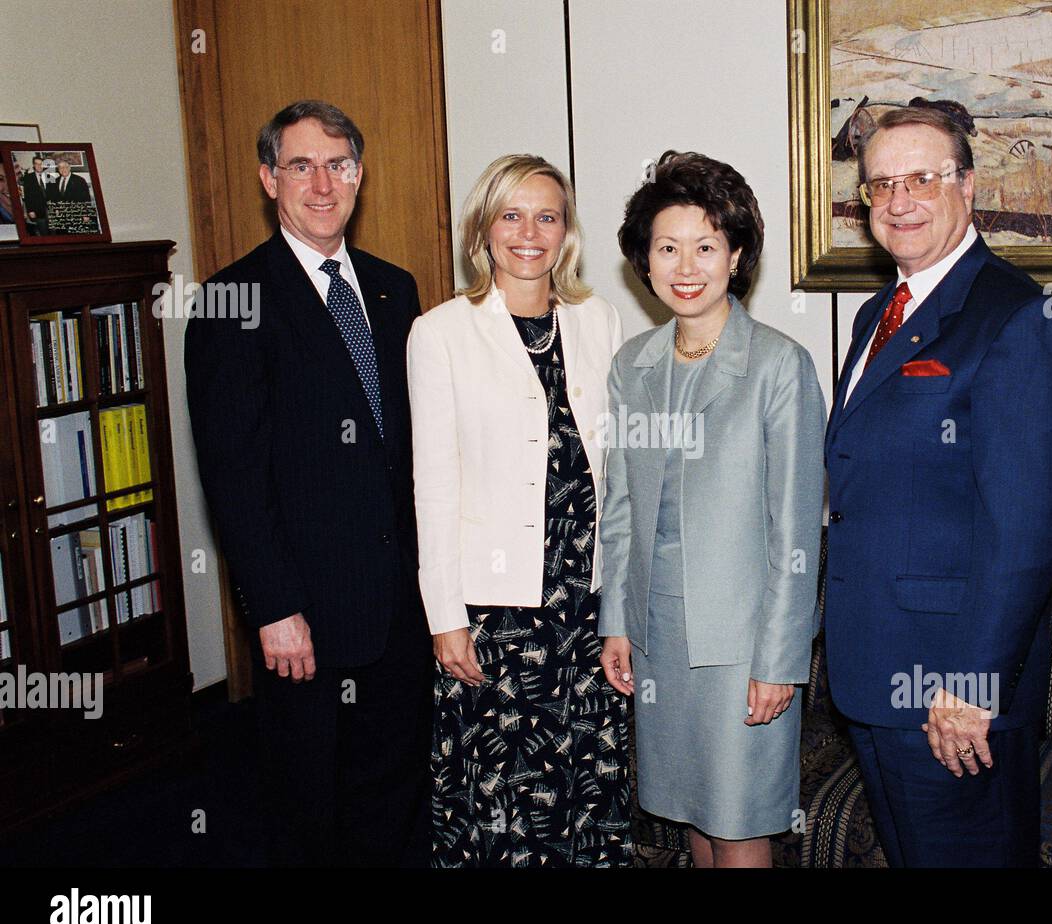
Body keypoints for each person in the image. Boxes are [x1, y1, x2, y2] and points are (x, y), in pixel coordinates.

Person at [824, 106, 1052, 867]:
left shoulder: (1019, 315)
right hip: (874, 674)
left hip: (951, 692)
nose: (898, 200)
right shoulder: (879, 312)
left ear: (967, 186)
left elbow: (1026, 529)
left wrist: (971, 687)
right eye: (879, 185)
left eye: (921, 179)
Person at [185, 99, 431, 866]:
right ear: (269, 179)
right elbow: (233, 478)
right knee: (308, 808)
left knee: (395, 793)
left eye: (338, 165)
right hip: (307, 619)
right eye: (301, 165)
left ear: (360, 175)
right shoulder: (232, 304)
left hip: (400, 604)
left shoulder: (396, 290)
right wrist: (274, 607)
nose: (322, 184)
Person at [599, 151, 825, 868]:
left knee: (738, 824)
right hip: (659, 635)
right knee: (692, 815)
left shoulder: (778, 366)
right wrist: (616, 625)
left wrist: (781, 661)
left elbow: (798, 529)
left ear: (736, 256)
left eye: (706, 245)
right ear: (645, 258)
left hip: (741, 645)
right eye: (667, 247)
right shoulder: (632, 365)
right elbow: (621, 508)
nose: (685, 266)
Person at [407, 154, 629, 867]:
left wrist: (621, 604)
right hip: (495, 614)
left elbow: (618, 472)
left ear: (567, 232)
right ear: (483, 227)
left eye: (547, 216)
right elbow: (433, 486)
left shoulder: (599, 321)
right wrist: (445, 618)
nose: (529, 232)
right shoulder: (440, 333)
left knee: (587, 793)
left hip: (585, 606)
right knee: (506, 800)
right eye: (511, 214)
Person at [20, 156, 48, 234]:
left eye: (41, 164)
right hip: (37, 210)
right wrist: (30, 210)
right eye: (36, 164)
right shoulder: (28, 178)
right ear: (33, 165)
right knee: (44, 232)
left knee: (54, 231)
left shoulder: (49, 177)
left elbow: (54, 194)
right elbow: (27, 195)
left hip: (51, 210)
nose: (39, 166)